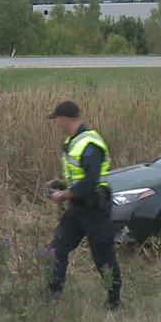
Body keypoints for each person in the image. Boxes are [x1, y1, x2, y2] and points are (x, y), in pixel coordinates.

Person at [46, 101, 122, 310]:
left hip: (95, 209)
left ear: (63, 118)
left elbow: (90, 181)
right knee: (56, 248)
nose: (57, 124)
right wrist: (61, 184)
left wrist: (64, 195)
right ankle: (54, 294)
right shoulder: (73, 141)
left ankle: (114, 301)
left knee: (103, 257)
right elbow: (79, 179)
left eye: (57, 120)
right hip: (77, 209)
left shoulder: (89, 144)